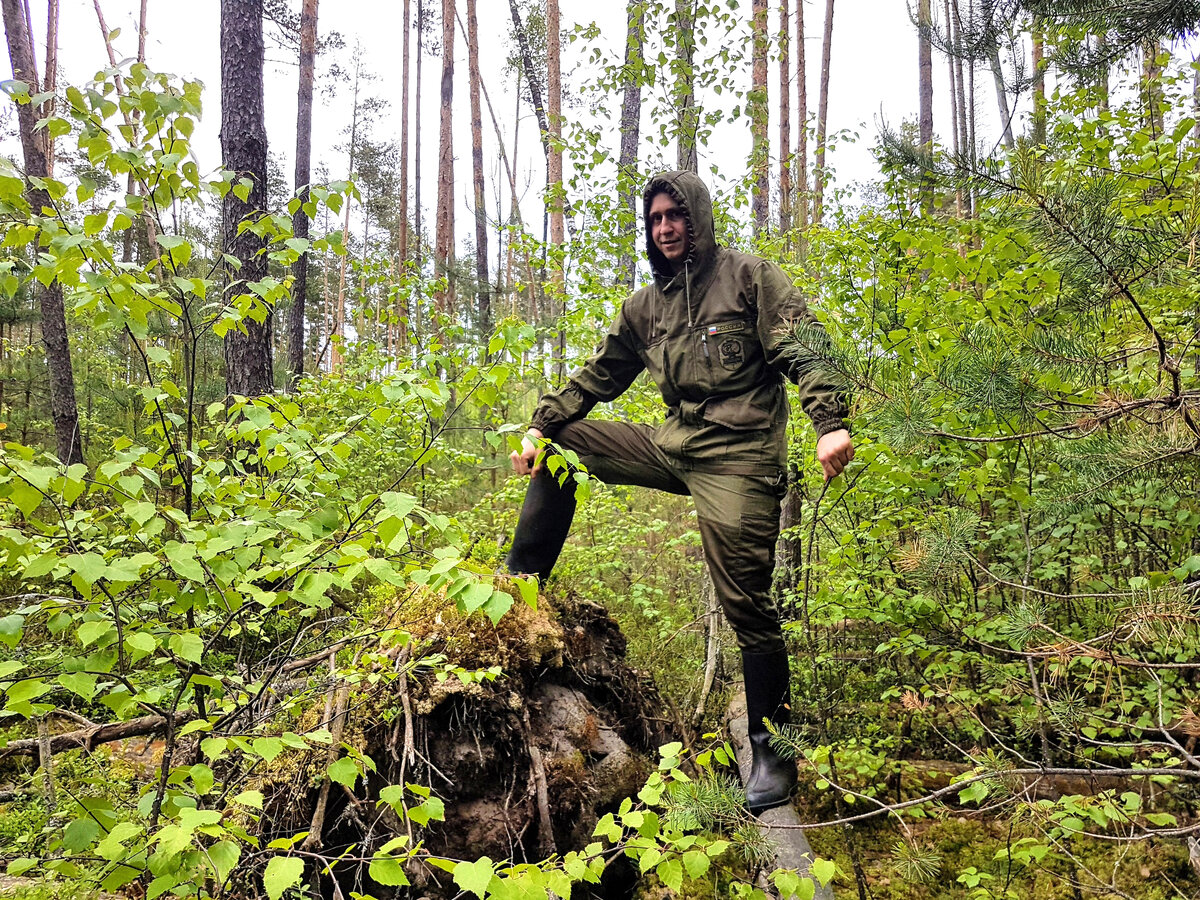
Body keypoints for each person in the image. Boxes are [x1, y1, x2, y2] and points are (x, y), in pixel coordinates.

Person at [506, 170, 853, 813]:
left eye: (676, 216)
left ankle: (773, 751)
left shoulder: (748, 278)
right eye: (656, 218)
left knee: (745, 598)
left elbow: (808, 349)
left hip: (742, 458)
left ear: (697, 219)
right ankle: (518, 592)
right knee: (564, 446)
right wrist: (540, 424)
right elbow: (600, 373)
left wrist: (829, 424)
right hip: (675, 443)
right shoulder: (647, 306)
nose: (665, 228)